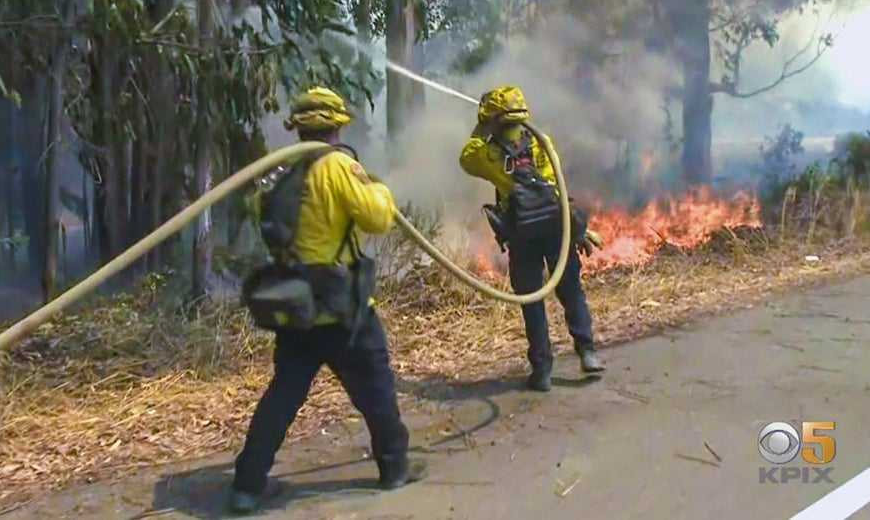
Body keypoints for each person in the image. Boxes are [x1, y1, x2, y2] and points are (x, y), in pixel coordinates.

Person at [232, 86, 426, 513]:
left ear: (298, 127)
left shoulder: (283, 168)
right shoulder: (339, 166)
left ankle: (247, 485)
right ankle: (394, 468)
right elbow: (378, 218)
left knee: (281, 398)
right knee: (376, 390)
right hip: (342, 310)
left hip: (298, 310)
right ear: (338, 125)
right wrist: (378, 188)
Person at [458, 85, 606, 392]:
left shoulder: (489, 153)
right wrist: (576, 230)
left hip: (521, 233)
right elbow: (557, 187)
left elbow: (466, 157)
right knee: (571, 291)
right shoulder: (543, 143)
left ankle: (542, 371)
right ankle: (587, 352)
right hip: (555, 227)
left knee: (532, 302)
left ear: (492, 119)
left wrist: (481, 127)